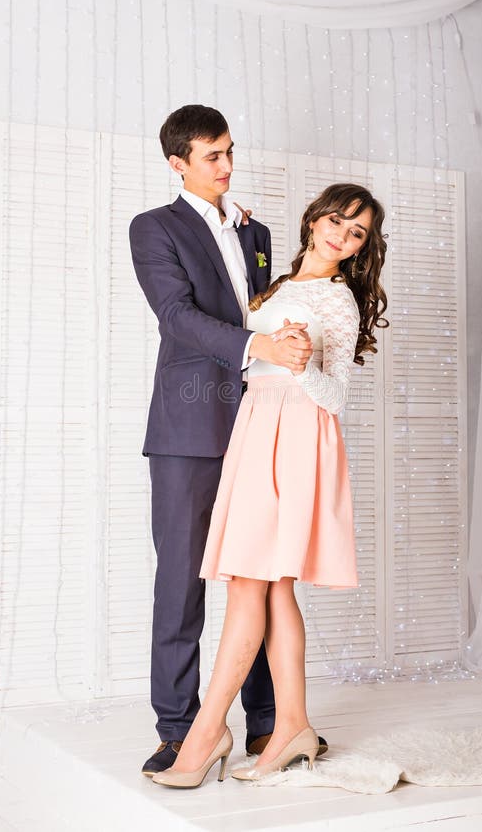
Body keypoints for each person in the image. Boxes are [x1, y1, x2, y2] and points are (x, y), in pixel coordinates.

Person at [151, 182, 388, 789]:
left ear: (361, 248)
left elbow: (335, 396)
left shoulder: (338, 300)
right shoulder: (278, 285)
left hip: (296, 434)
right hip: (257, 427)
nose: (341, 235)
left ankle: (206, 734)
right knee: (273, 589)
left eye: (356, 233)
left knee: (248, 586)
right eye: (336, 220)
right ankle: (292, 727)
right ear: (313, 219)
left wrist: (302, 366)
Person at [130, 104, 320, 777]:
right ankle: (180, 730)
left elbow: (268, 303)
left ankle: (267, 723)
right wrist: (256, 344)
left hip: (264, 420)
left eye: (230, 151)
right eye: (213, 156)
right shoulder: (153, 227)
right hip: (188, 427)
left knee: (259, 575)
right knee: (181, 580)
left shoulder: (254, 231)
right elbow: (176, 316)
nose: (228, 166)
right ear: (177, 163)